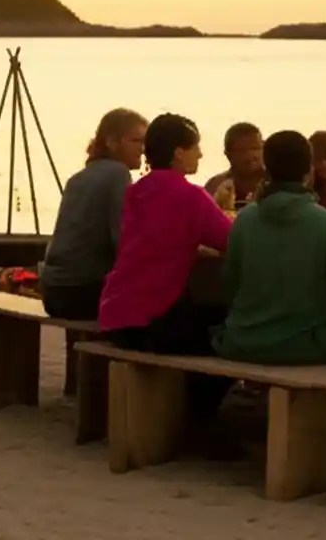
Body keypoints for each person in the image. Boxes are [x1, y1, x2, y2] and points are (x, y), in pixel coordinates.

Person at [213, 131, 326, 373]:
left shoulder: (244, 220)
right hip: (302, 347)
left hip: (242, 341)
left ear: (266, 170)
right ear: (308, 171)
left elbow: (230, 282)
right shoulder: (325, 223)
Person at [98, 113, 236, 433]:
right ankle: (199, 420)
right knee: (233, 333)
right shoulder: (190, 196)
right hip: (153, 320)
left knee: (204, 317)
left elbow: (155, 238)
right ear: (178, 152)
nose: (200, 154)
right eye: (195, 147)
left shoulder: (137, 191)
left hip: (116, 316)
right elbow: (233, 242)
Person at [40, 108, 146, 320]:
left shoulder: (79, 177)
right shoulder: (117, 173)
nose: (142, 149)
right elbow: (123, 241)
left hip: (53, 290)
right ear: (111, 142)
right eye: (135, 141)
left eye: (144, 142)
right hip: (82, 292)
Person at [204, 122, 265, 207]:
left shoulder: (277, 183)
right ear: (228, 155)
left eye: (255, 148)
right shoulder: (215, 186)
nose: (250, 156)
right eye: (242, 151)